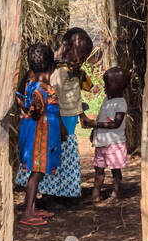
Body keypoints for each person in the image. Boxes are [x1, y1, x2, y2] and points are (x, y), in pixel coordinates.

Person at [39, 27, 93, 206]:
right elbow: (52, 98)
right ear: (68, 48)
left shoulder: (72, 70)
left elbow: (73, 96)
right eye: (82, 53)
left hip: (69, 122)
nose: (84, 57)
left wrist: (81, 115)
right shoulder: (59, 72)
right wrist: (60, 124)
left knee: (67, 159)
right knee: (55, 158)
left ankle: (65, 193)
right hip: (58, 123)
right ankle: (49, 196)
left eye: (86, 54)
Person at [16, 42, 63, 226]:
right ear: (50, 68)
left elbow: (25, 104)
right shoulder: (42, 89)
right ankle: (27, 213)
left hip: (36, 134)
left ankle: (32, 207)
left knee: (38, 173)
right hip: (40, 138)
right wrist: (33, 110)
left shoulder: (31, 83)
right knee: (36, 173)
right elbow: (36, 111)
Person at [82, 67, 129, 205]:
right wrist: (94, 131)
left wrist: (95, 125)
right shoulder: (106, 100)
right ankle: (95, 194)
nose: (104, 87)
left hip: (114, 144)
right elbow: (102, 117)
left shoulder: (121, 103)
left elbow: (116, 124)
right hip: (101, 143)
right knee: (98, 169)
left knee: (115, 170)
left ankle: (115, 194)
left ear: (118, 86)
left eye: (107, 84)